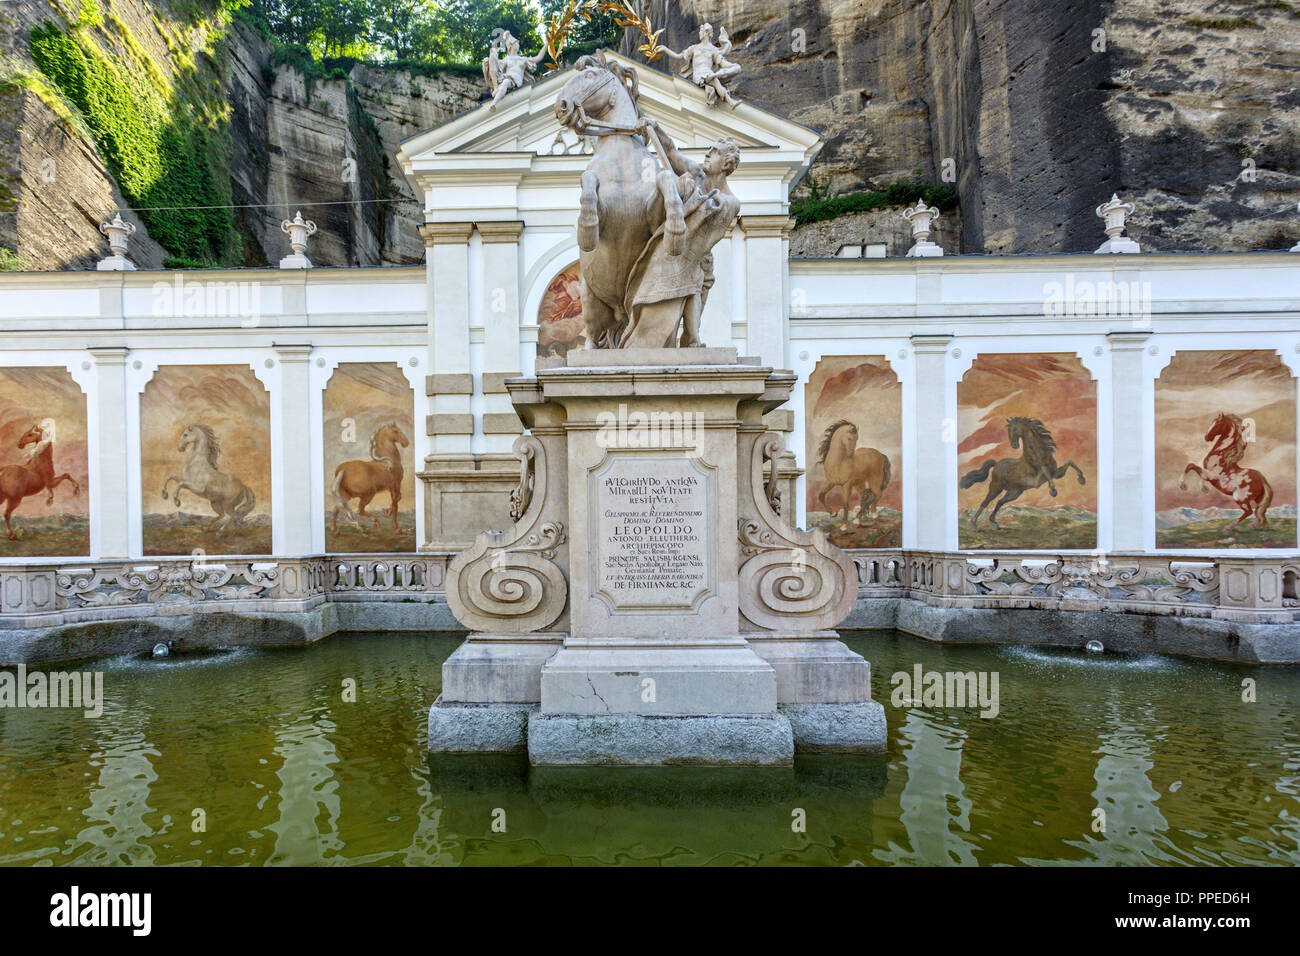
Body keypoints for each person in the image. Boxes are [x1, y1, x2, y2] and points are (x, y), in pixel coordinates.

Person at [660, 23, 742, 108]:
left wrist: (732, 66)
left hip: (709, 74)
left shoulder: (713, 50)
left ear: (706, 33)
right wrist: (665, 49)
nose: (699, 33)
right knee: (715, 80)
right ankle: (730, 101)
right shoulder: (694, 48)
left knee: (714, 80)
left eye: (701, 31)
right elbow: (678, 56)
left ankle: (730, 101)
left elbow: (723, 63)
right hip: (698, 76)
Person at [482, 30, 547, 111]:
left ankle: (494, 103)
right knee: (492, 55)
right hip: (507, 77)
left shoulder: (523, 59)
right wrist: (488, 61)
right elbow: (498, 66)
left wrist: (547, 43)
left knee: (505, 82)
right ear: (512, 46)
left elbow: (538, 58)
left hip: (516, 79)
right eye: (516, 43)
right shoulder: (507, 59)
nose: (518, 45)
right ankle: (495, 90)